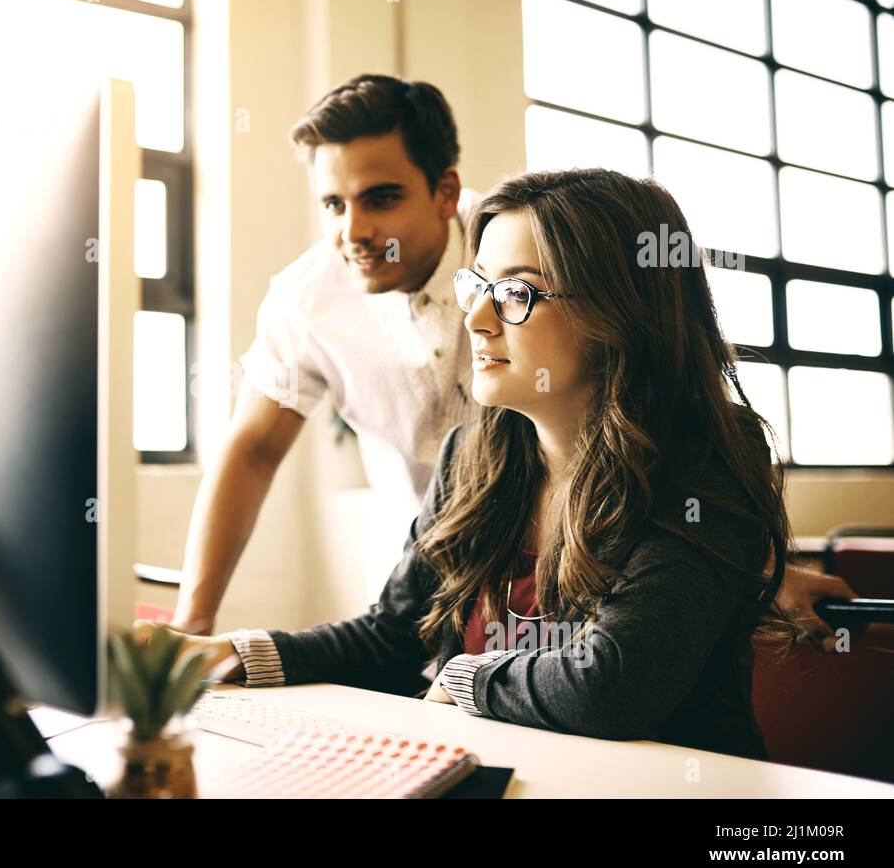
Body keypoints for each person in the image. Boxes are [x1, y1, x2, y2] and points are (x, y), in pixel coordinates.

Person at [145, 168, 813, 759]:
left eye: (517, 293)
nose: (479, 318)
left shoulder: (705, 459)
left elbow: (613, 684)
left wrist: (462, 674)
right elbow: (394, 636)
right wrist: (240, 651)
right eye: (478, 285)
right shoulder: (476, 454)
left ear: (620, 312)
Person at [170, 73, 853, 651]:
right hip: (456, 565)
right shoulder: (303, 301)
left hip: (607, 558)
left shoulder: (520, 240)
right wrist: (195, 625)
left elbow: (658, 398)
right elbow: (254, 449)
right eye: (332, 204)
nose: (354, 231)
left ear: (445, 192)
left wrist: (749, 563)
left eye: (381, 198)